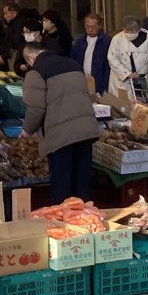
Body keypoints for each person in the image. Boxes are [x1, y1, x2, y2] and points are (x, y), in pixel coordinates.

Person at [21, 42, 101, 205]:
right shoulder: (74, 64)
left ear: (31, 57)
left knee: (62, 190)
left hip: (60, 136)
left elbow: (36, 109)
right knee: (82, 185)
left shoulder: (36, 72)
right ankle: (85, 223)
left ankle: (64, 225)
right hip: (86, 131)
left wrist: (27, 131)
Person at [108, 15, 148, 97]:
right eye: (126, 30)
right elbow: (112, 59)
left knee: (142, 106)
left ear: (139, 29)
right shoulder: (117, 39)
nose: (129, 33)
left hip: (142, 80)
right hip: (121, 82)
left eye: (132, 30)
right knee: (123, 106)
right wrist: (127, 74)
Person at [70, 13, 111, 95]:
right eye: (87, 26)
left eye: (93, 27)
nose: (90, 29)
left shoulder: (107, 41)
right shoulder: (79, 41)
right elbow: (73, 61)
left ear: (100, 26)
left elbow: (108, 66)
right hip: (81, 80)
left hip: (100, 82)